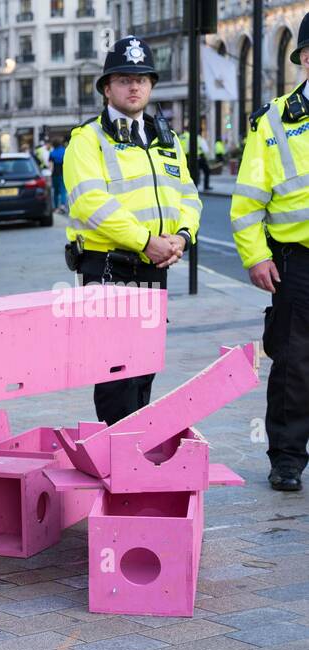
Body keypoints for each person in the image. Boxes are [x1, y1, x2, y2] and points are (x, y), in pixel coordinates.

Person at [63, 35, 201, 425]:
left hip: (153, 268)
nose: (134, 86)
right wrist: (147, 242)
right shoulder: (87, 140)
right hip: (109, 269)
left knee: (143, 370)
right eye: (124, 79)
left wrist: (181, 237)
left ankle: (134, 455)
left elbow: (188, 196)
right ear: (107, 88)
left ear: (152, 85)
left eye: (142, 78)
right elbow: (90, 203)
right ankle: (116, 455)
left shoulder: (166, 140)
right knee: (114, 375)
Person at [230, 11, 309, 492]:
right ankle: (287, 460)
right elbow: (245, 203)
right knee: (295, 365)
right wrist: (257, 256)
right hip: (296, 263)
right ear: (303, 58)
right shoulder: (275, 120)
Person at [49, 137, 68, 211]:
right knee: (63, 190)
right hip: (63, 173)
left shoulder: (52, 153)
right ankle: (63, 205)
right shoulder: (64, 151)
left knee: (56, 192)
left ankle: (56, 207)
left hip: (55, 174)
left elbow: (50, 166)